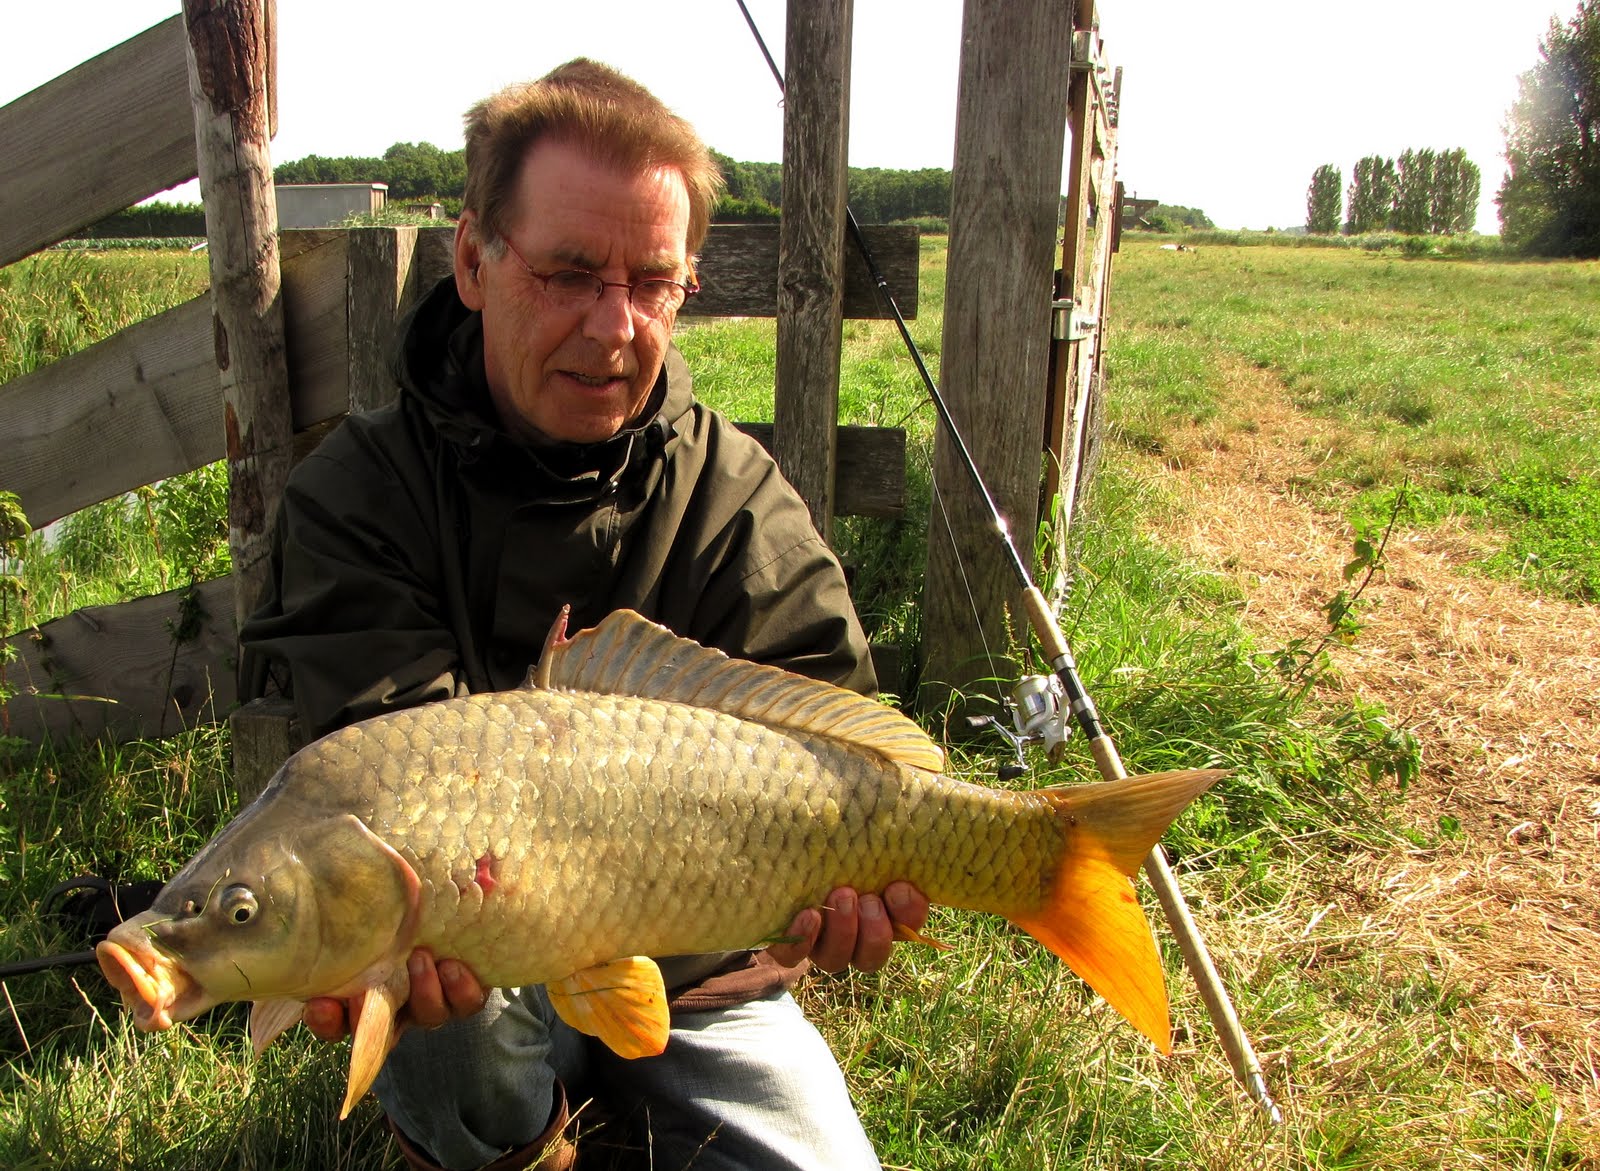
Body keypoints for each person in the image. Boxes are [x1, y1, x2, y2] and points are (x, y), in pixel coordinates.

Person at [240, 59, 928, 1171]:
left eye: (651, 281)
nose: (615, 327)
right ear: (472, 259)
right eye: (567, 274)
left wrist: (856, 889)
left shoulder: (733, 494)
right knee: (445, 1013)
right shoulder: (356, 496)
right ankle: (508, 1140)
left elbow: (837, 730)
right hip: (476, 971)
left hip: (706, 978)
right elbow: (381, 801)